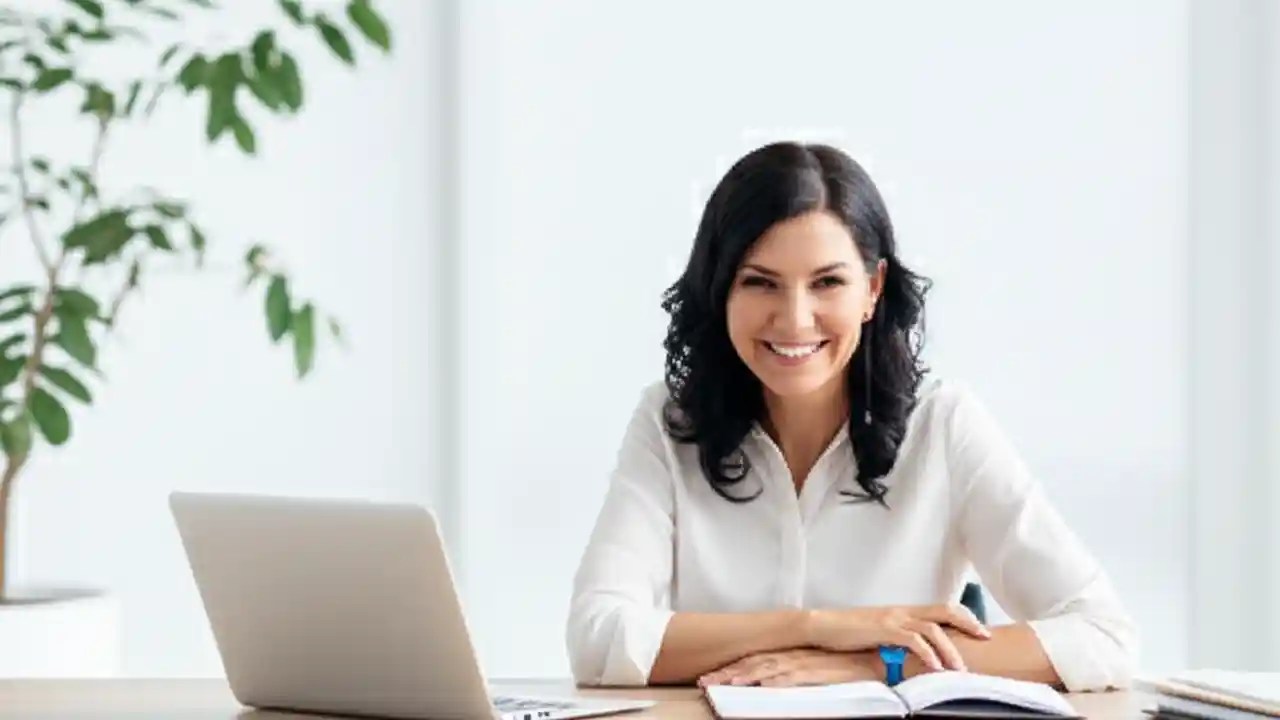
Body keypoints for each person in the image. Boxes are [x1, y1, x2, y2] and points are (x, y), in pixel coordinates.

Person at [565, 142, 1138, 693]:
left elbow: (1101, 636)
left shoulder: (942, 424)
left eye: (827, 282)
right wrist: (816, 628)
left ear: (872, 288)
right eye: (759, 282)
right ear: (721, 292)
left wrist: (878, 663)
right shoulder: (669, 423)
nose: (794, 320)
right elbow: (597, 640)